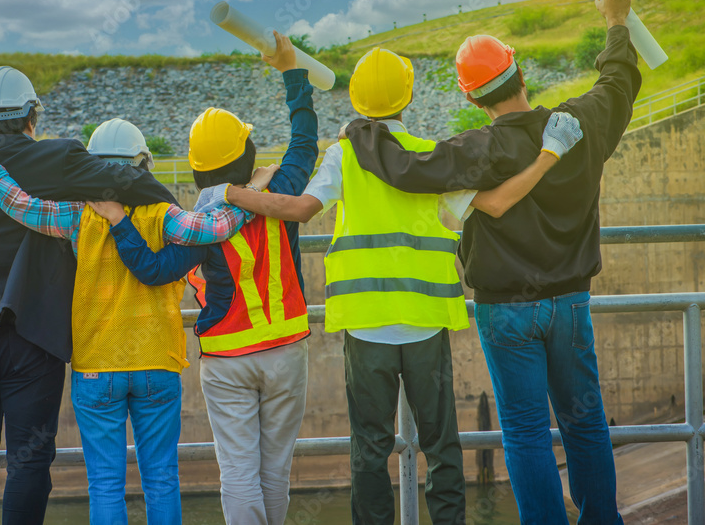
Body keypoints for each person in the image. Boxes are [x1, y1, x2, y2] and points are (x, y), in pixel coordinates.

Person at [223, 46, 583, 524]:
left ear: (355, 102)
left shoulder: (343, 157)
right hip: (425, 327)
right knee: (442, 448)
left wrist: (234, 193)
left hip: (366, 329)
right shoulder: (433, 158)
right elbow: (496, 204)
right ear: (409, 96)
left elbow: (299, 209)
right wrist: (549, 154)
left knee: (369, 452)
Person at [341, 0, 636, 524]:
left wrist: (362, 132)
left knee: (525, 433)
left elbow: (409, 168)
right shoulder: (579, 124)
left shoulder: (480, 149)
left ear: (470, 96)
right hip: (571, 302)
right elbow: (618, 81)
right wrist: (616, 22)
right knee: (585, 423)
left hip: (504, 311)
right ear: (520, 71)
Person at [0, 16, 177, 524]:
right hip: (34, 335)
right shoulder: (56, 159)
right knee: (30, 453)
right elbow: (124, 181)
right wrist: (168, 207)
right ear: (33, 116)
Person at [0, 118, 276, 525]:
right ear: (143, 163)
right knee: (161, 479)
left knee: (105, 483)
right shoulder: (165, 215)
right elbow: (215, 224)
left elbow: (17, 202)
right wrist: (253, 190)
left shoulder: (77, 217)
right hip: (157, 360)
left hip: (97, 366)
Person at [92, 31, 319, 525]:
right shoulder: (277, 188)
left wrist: (120, 222)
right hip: (286, 347)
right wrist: (291, 72)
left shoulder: (195, 223)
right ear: (248, 149)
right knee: (275, 471)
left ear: (196, 169)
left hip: (227, 357)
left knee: (238, 472)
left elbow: (152, 270)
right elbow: (305, 142)